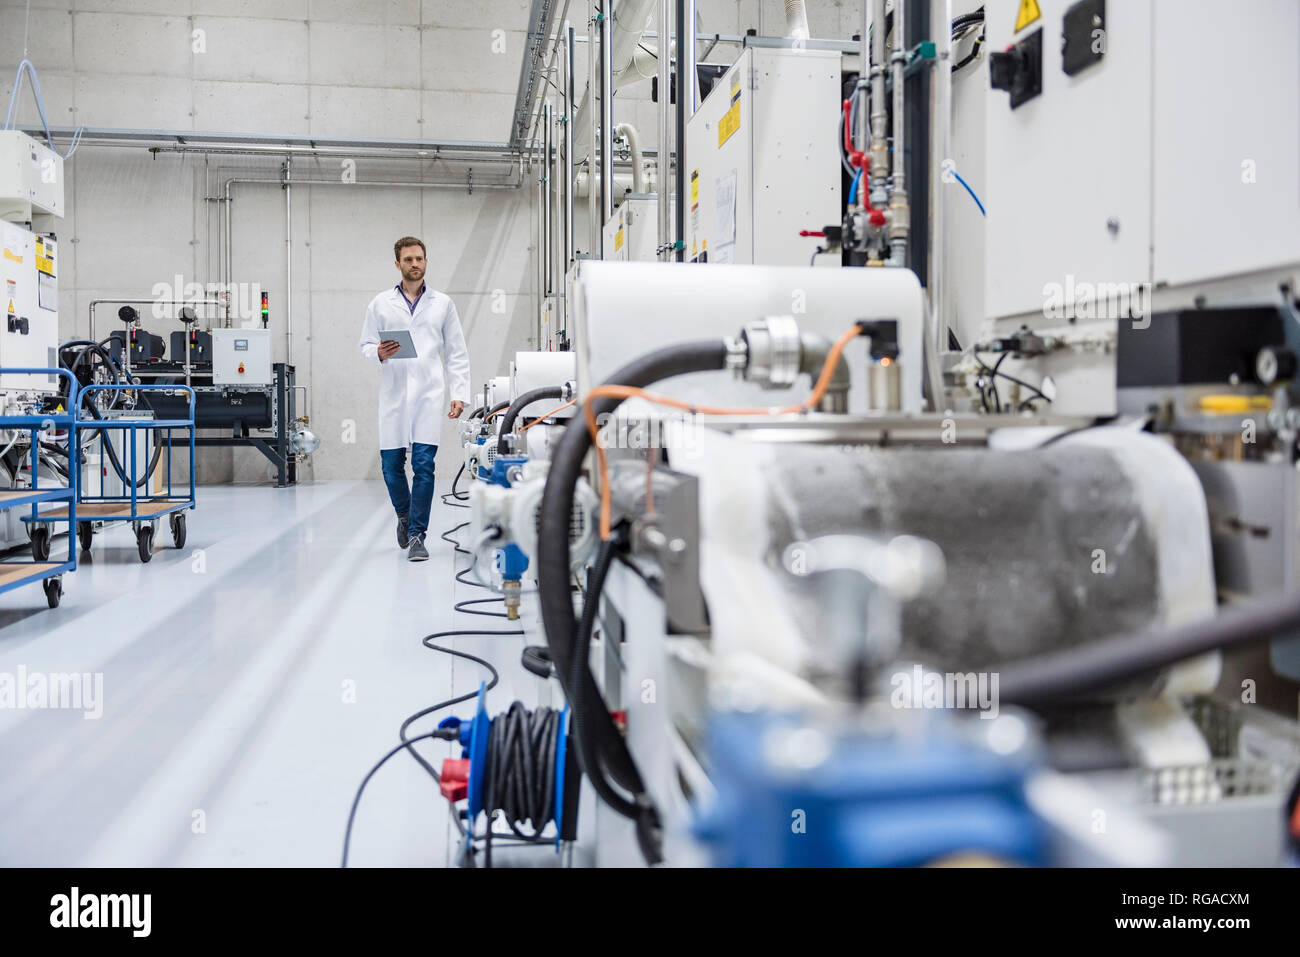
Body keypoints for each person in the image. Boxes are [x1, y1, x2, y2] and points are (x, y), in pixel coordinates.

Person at [359, 236, 471, 561]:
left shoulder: (443, 304)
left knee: (424, 466)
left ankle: (418, 535)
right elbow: (365, 344)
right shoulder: (380, 304)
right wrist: (378, 353)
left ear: (426, 261)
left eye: (419, 258)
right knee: (390, 466)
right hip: (394, 395)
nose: (415, 264)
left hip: (428, 395)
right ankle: (405, 516)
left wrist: (459, 393)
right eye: (408, 259)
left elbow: (457, 352)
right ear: (398, 264)